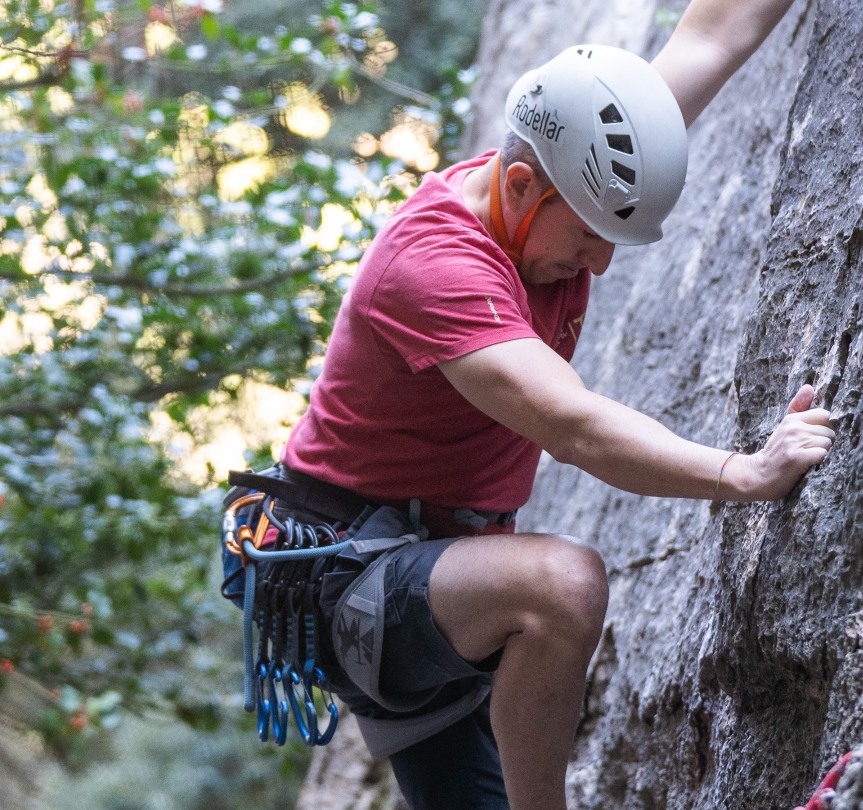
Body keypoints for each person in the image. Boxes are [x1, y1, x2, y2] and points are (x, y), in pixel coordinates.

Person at [265, 1, 832, 808]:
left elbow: (712, 34)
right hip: (350, 578)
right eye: (592, 233)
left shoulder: (588, 161)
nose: (598, 262)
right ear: (522, 184)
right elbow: (573, 427)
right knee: (561, 587)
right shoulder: (432, 270)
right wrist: (744, 473)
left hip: (442, 580)